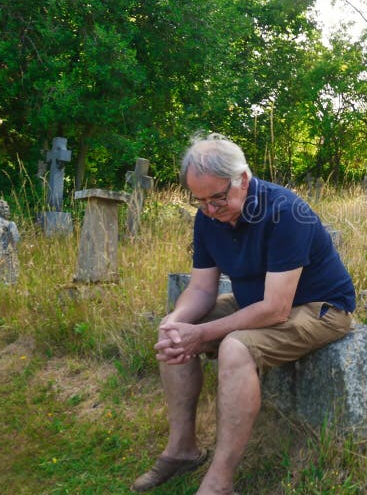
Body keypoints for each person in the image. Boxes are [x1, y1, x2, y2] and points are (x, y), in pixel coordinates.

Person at [132, 134, 355, 494]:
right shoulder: (208, 216)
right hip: (257, 301)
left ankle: (220, 481)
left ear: (243, 180)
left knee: (235, 347)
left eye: (218, 198)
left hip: (320, 308)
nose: (209, 210)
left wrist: (202, 335)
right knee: (175, 332)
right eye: (200, 201)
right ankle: (182, 450)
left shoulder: (284, 212)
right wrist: (175, 322)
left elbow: (276, 309)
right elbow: (203, 288)